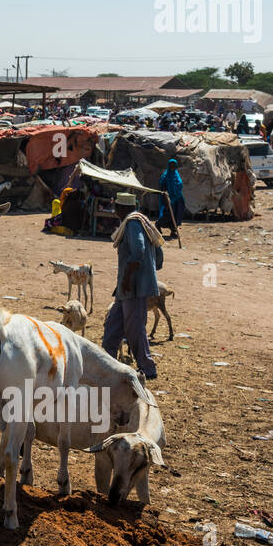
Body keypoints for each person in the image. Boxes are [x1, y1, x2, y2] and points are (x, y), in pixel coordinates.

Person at [102, 207, 164, 380]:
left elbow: (138, 250)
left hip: (132, 288)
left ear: (123, 208)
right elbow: (158, 253)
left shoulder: (132, 223)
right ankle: (107, 363)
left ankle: (148, 368)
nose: (115, 211)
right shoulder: (144, 222)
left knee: (135, 330)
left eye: (118, 207)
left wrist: (129, 278)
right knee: (112, 326)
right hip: (126, 288)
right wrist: (149, 270)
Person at [157, 158, 185, 237]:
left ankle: (173, 231)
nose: (172, 167)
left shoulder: (176, 175)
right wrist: (165, 198)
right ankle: (158, 224)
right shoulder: (165, 176)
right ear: (169, 166)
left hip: (178, 198)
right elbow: (162, 187)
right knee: (168, 215)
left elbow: (180, 186)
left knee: (177, 214)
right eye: (171, 165)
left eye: (174, 166)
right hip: (168, 198)